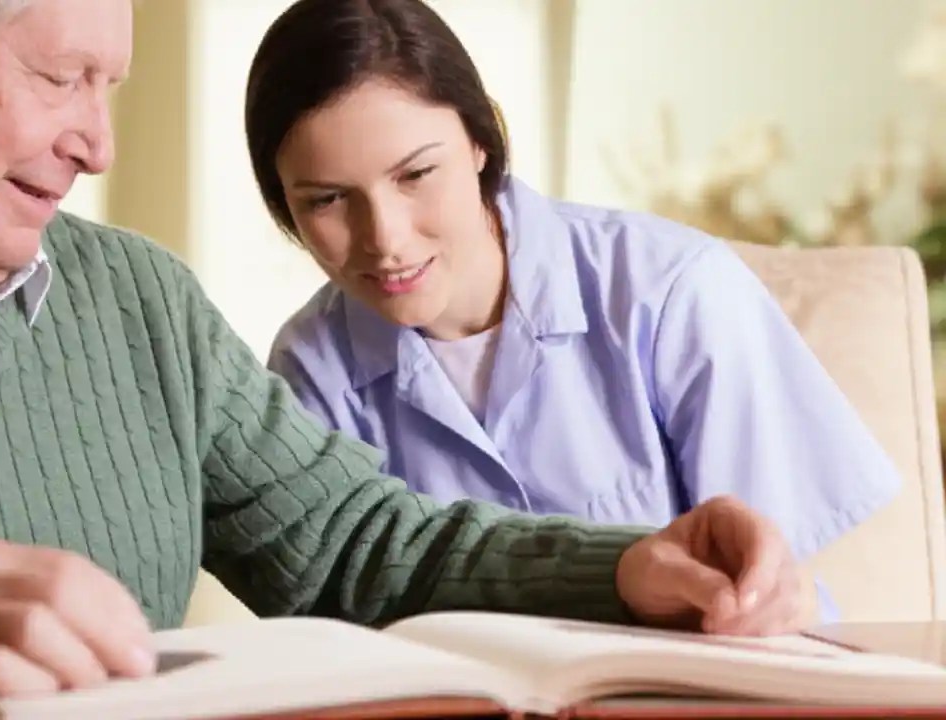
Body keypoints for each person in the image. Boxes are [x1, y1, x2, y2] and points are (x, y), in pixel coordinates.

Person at [0, 0, 817, 718]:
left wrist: (626, 568)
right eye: (61, 77)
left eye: (109, 89)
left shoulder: (140, 301)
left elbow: (365, 547)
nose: (95, 144)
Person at [250, 0, 900, 622]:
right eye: (328, 200)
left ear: (482, 139)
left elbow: (777, 596)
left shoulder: (674, 293)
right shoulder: (309, 371)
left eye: (416, 175)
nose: (385, 239)